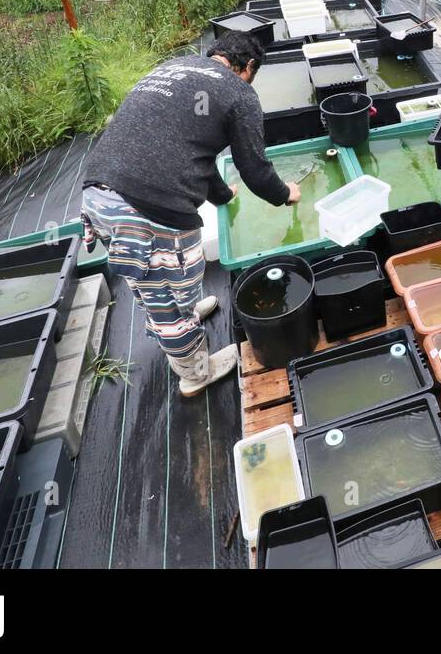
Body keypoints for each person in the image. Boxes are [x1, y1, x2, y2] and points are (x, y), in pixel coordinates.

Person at [81, 33, 300, 397]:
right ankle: (195, 373)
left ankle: (179, 310)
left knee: (150, 283)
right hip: (147, 211)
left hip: (98, 193)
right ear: (248, 68)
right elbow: (256, 171)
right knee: (168, 299)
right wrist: (284, 194)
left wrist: (221, 194)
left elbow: (185, 146)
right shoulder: (239, 91)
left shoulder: (173, 67)